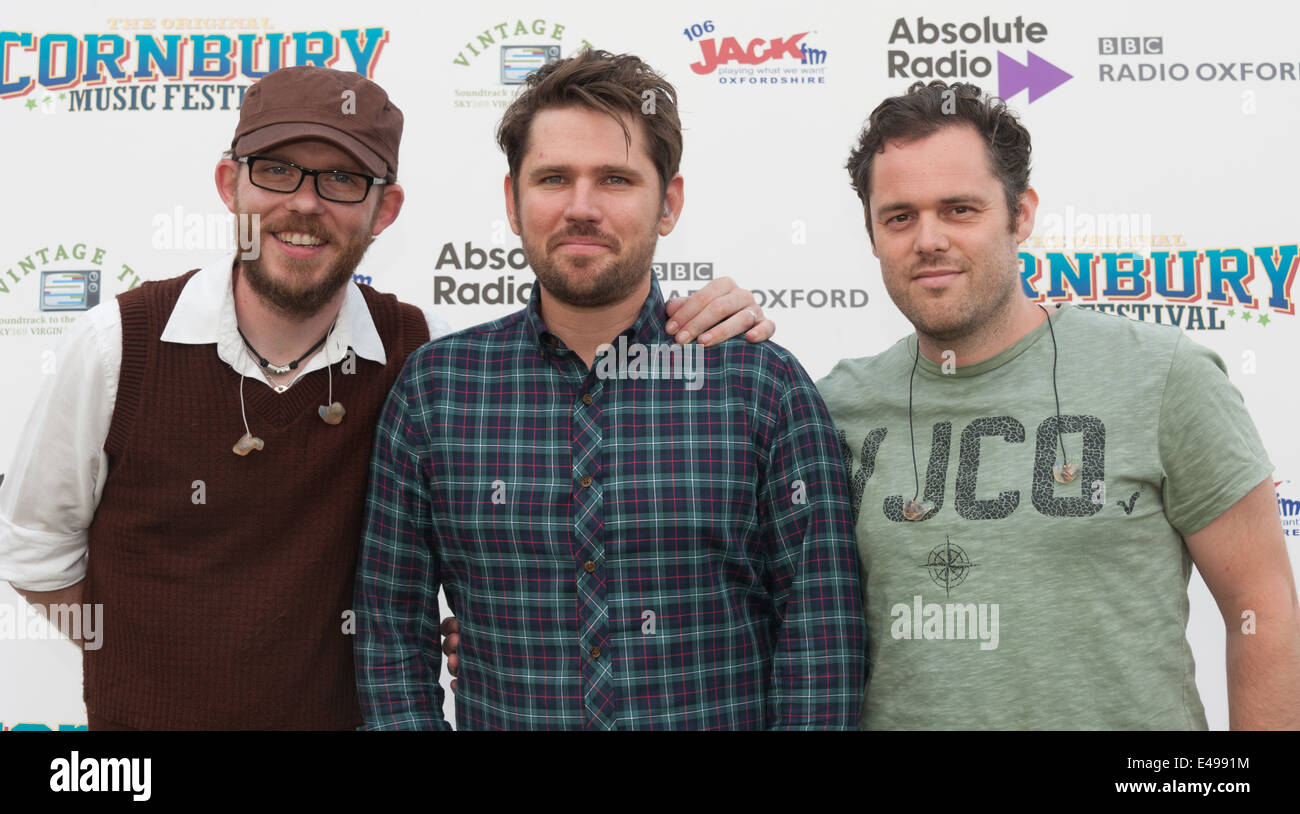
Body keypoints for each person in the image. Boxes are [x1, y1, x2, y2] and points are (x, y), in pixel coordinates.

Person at [0, 65, 770, 730]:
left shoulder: (420, 357)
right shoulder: (116, 345)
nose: (304, 203)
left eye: (342, 180)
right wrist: (152, 647)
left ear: (385, 210)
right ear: (230, 183)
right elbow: (35, 550)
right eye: (275, 170)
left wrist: (723, 313)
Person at [354, 49, 866, 730]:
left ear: (668, 204)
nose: (582, 207)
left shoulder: (761, 389)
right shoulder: (436, 391)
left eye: (616, 179)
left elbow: (821, 642)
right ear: (513, 201)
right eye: (553, 178)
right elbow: (389, 636)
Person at [816, 80, 1300, 729]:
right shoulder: (835, 405)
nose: (928, 239)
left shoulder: (1160, 375)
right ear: (873, 235)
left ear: (1020, 215)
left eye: (960, 209)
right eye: (899, 216)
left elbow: (1262, 605)